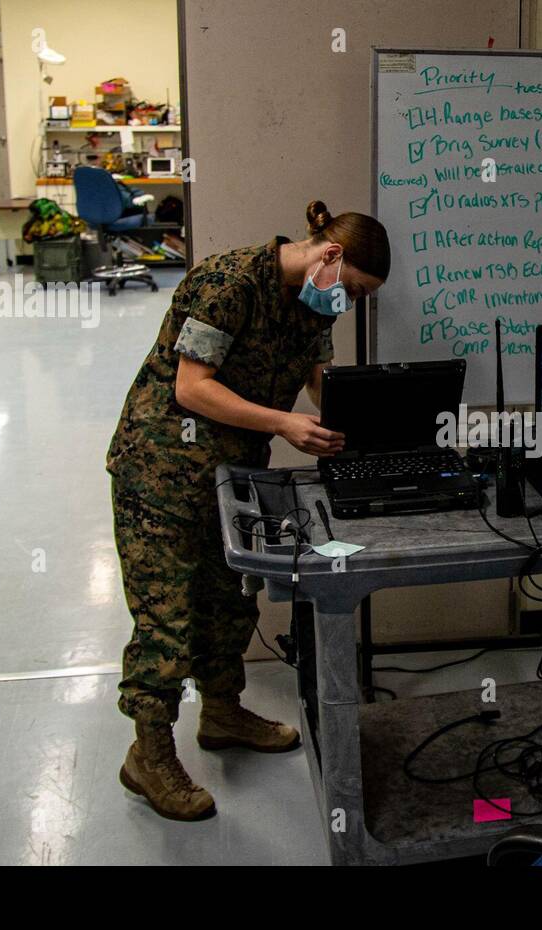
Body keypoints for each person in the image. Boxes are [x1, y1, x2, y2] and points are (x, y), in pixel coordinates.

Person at [105, 201, 390, 821]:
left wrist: (356, 421)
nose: (355, 302)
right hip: (161, 470)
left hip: (233, 472)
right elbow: (191, 387)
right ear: (330, 255)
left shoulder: (317, 303)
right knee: (166, 619)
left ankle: (222, 712)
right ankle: (148, 754)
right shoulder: (228, 282)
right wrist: (286, 423)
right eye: (358, 289)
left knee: (228, 601)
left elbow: (319, 380)